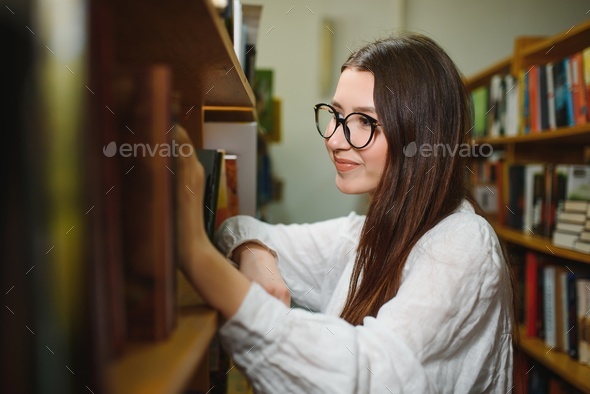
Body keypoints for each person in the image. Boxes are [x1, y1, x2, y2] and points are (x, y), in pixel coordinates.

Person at [174, 32, 514, 393]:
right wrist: (256, 254)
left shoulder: (463, 245)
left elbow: (367, 379)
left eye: (365, 122)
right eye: (336, 115)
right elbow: (239, 227)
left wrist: (194, 252)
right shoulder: (366, 232)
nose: (335, 139)